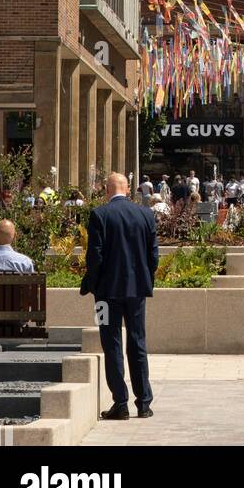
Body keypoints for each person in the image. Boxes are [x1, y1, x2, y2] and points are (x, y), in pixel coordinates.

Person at [80, 171, 159, 421]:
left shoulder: (99, 214)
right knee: (137, 342)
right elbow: (153, 255)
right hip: (136, 292)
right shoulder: (145, 214)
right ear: (128, 189)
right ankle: (144, 403)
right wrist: (146, 280)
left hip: (105, 294)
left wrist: (92, 285)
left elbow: (95, 256)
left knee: (110, 342)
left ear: (107, 190)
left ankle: (120, 403)